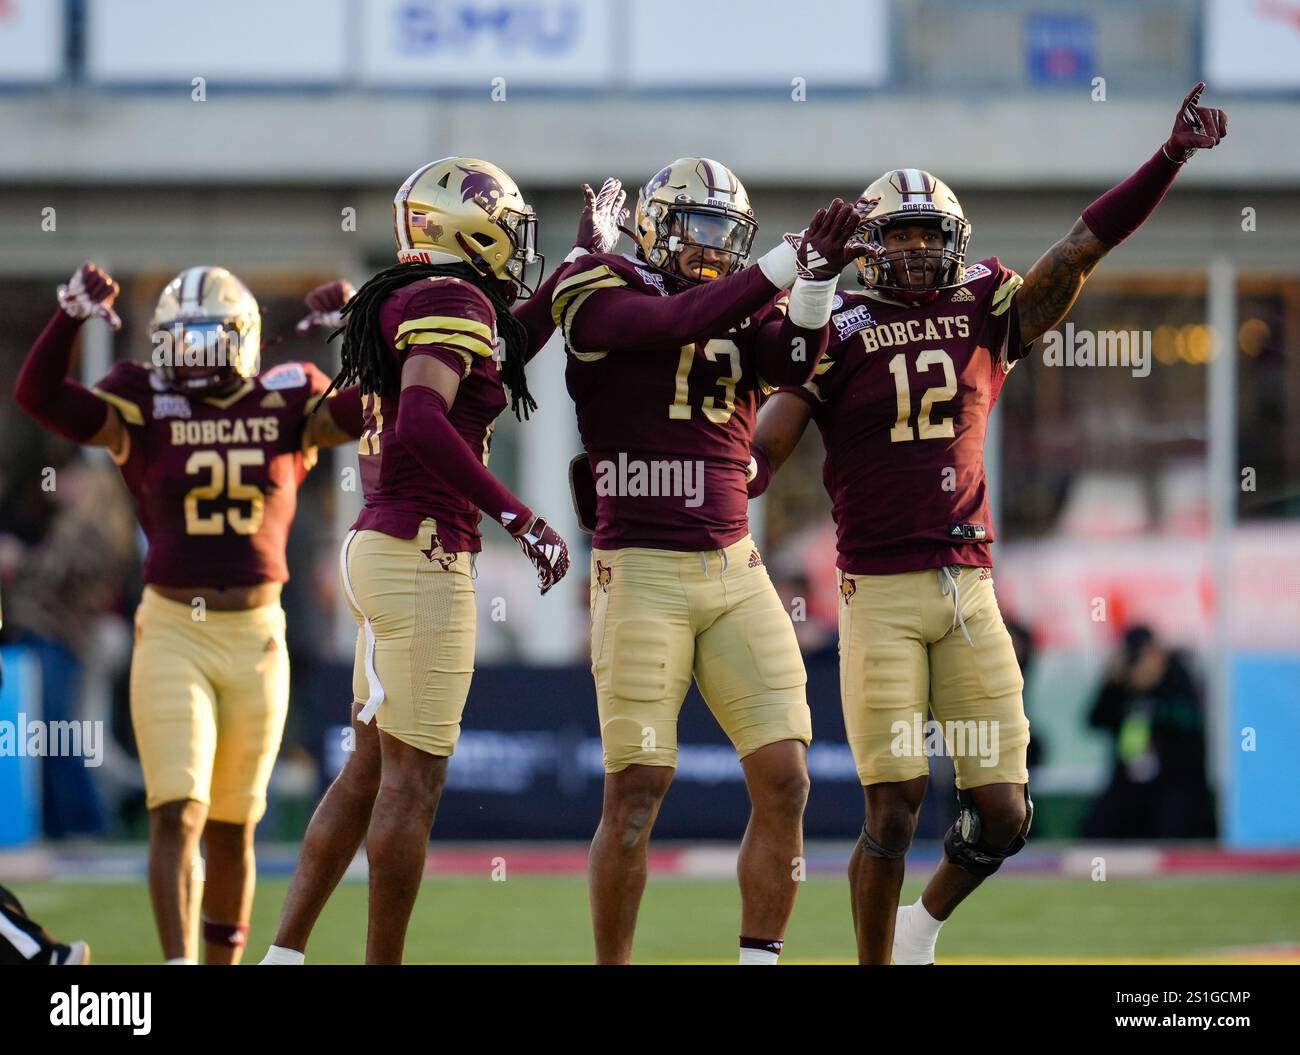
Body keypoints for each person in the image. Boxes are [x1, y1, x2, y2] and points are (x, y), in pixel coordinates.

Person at [749, 84, 1227, 963]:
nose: (920, 252)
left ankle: (921, 923)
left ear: (954, 242)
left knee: (1005, 811)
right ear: (871, 249)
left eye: (931, 237)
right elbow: (764, 448)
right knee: (891, 801)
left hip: (968, 588)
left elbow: (1086, 245)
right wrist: (724, 474)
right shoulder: (834, 330)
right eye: (901, 237)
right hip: (881, 591)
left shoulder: (986, 306)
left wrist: (1169, 158)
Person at [261, 162, 624, 965]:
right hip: (422, 556)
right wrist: (522, 518)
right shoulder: (452, 300)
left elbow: (514, 338)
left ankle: (283, 956)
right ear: (468, 225)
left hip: (382, 547)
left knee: (365, 773)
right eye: (510, 226)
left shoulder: (423, 296)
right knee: (411, 784)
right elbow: (423, 422)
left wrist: (575, 261)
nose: (517, 244)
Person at [553, 156, 861, 964]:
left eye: (727, 233)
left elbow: (794, 364)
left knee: (787, 774)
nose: (712, 246)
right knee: (636, 794)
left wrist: (818, 281)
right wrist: (784, 267)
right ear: (654, 227)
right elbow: (668, 326)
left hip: (733, 565)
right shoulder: (598, 286)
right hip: (641, 568)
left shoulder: (745, 297)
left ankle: (759, 959)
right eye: (697, 226)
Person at [15, 264, 366, 964]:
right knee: (178, 808)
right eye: (181, 337)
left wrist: (358, 330)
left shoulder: (289, 392)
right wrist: (69, 316)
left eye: (209, 336)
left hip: (259, 635)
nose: (195, 351)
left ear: (244, 338)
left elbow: (372, 407)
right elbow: (39, 394)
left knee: (235, 827)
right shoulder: (140, 399)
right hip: (173, 627)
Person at [1082, 625, 1214, 838]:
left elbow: (1192, 723)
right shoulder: (1120, 685)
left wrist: (1157, 697)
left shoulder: (1176, 675)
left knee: (1171, 826)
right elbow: (1094, 721)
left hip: (1171, 784)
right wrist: (1110, 683)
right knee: (1097, 830)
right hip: (1127, 784)